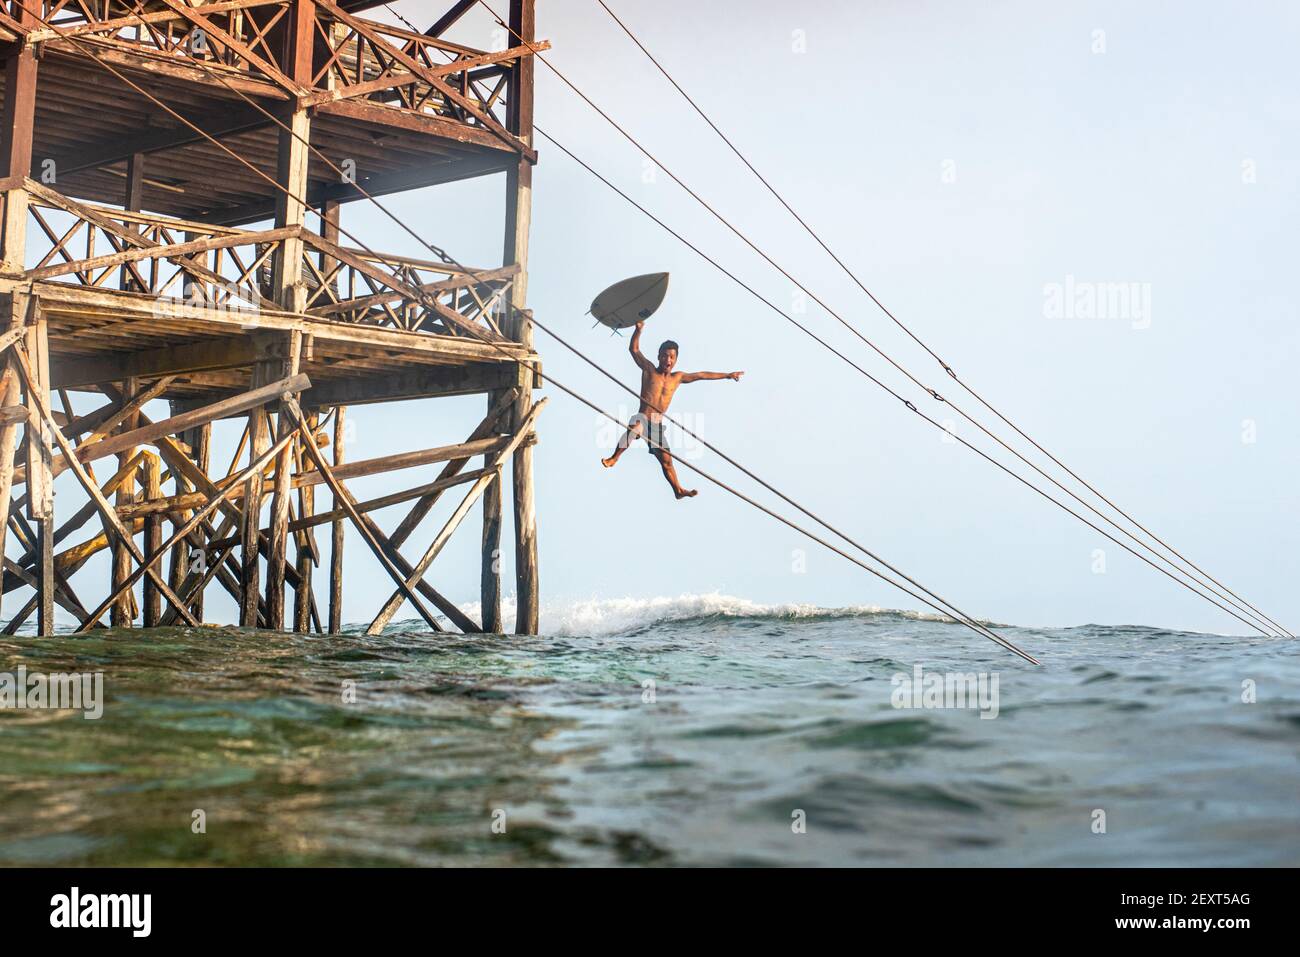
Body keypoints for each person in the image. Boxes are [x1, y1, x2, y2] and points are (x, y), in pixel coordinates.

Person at [600, 321, 744, 499]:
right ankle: (614, 458)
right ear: (659, 356)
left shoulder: (677, 378)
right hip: (642, 417)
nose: (668, 361)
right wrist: (638, 331)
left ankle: (678, 490)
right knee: (636, 428)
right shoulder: (649, 369)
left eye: (672, 357)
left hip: (657, 426)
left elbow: (701, 375)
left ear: (676, 360)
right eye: (665, 356)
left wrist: (727, 375)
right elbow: (634, 350)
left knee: (667, 461)